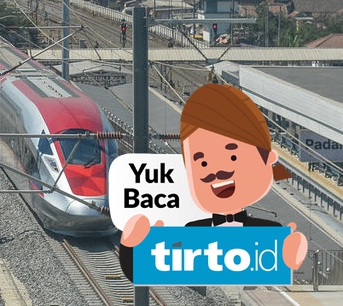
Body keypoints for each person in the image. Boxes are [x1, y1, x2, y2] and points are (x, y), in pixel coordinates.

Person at [118, 83, 308, 281]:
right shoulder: (192, 230)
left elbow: (283, 265)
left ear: (268, 158)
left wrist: (290, 256)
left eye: (232, 157)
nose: (216, 172)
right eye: (202, 162)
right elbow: (148, 267)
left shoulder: (270, 233)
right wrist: (133, 247)